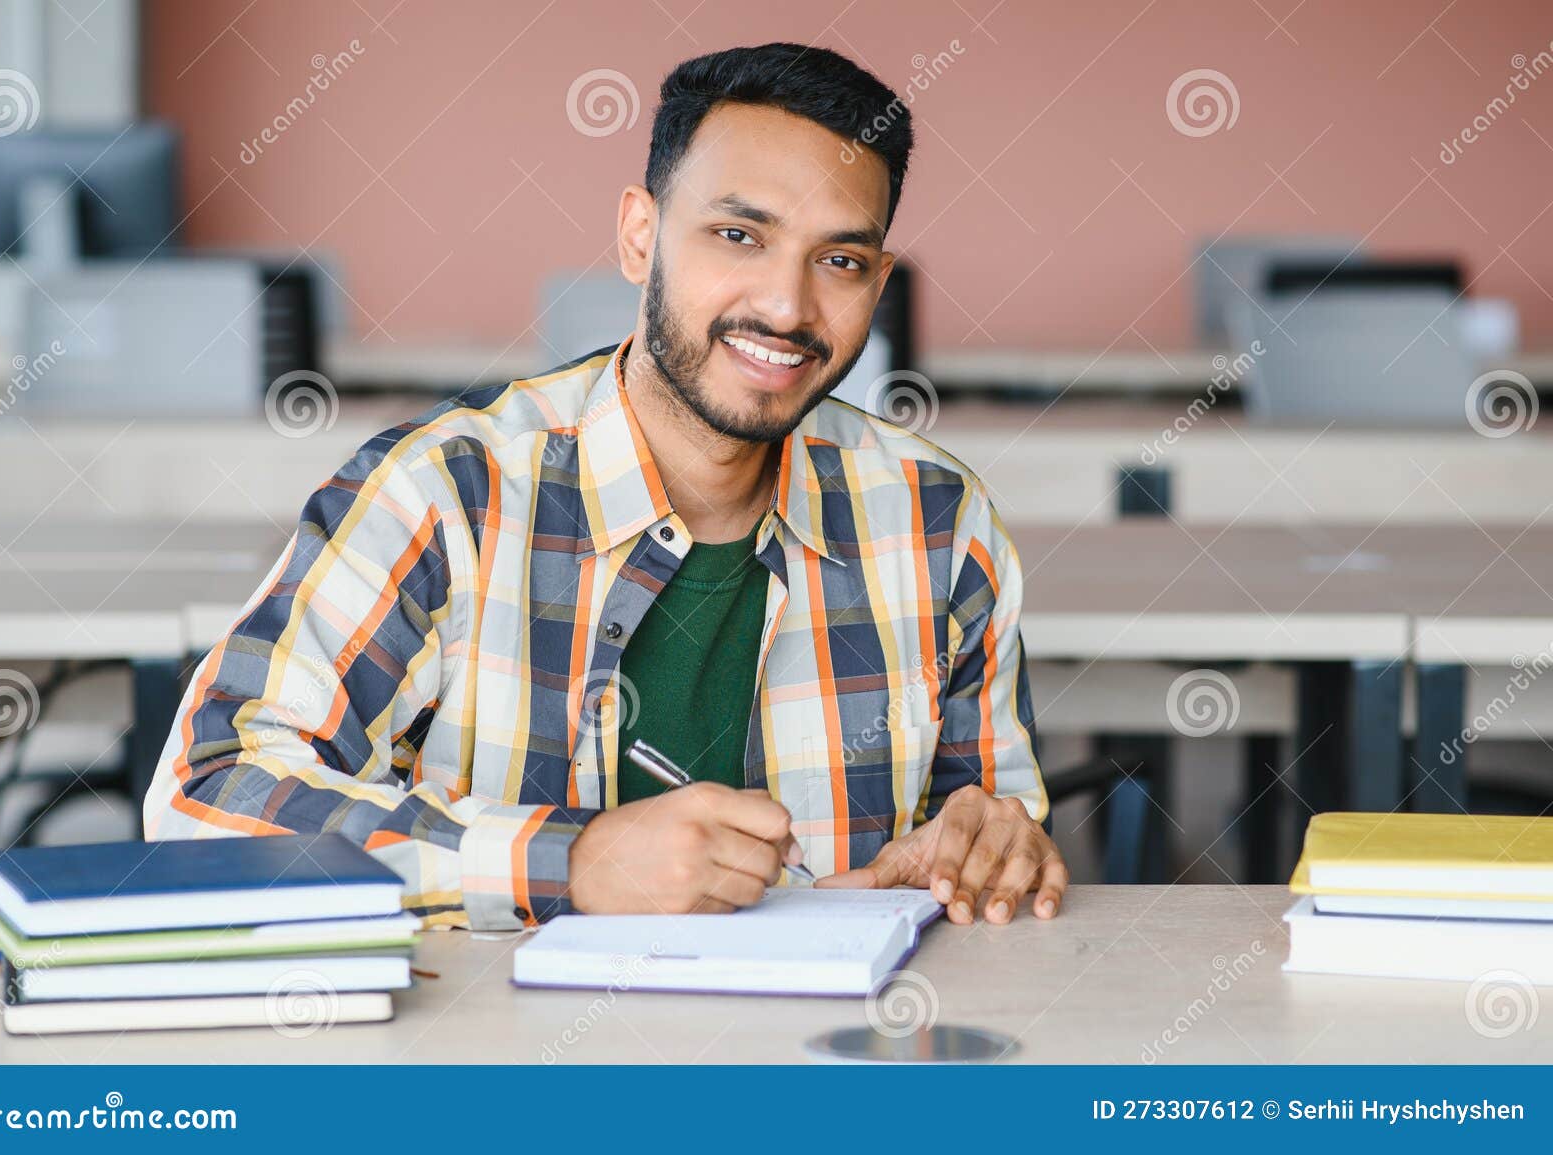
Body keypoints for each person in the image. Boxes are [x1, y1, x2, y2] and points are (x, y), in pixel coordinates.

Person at [145, 42, 1065, 933]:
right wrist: (573, 865)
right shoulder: (450, 492)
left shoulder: (939, 522)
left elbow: (991, 837)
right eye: (738, 235)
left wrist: (986, 856)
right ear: (639, 235)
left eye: (841, 260)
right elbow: (206, 792)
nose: (787, 307)